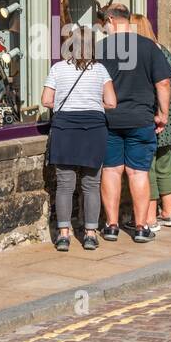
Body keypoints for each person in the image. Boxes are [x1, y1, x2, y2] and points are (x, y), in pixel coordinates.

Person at [96, 4, 171, 243]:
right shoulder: (148, 46)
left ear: (110, 20)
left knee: (111, 171)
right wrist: (163, 113)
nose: (103, 28)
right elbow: (163, 84)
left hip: (108, 120)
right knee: (138, 172)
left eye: (103, 24)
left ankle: (111, 226)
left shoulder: (100, 49)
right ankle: (140, 228)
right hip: (140, 119)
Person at [41, 26, 116, 251]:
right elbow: (111, 102)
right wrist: (92, 105)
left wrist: (68, 106)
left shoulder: (57, 69)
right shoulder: (101, 70)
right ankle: (90, 234)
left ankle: (63, 235)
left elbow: (46, 100)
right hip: (93, 127)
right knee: (91, 184)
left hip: (65, 126)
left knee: (64, 185)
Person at [131, 14, 171, 231]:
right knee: (165, 164)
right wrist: (170, 110)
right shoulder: (162, 50)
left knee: (147, 166)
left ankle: (149, 218)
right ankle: (168, 212)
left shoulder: (140, 53)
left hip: (153, 114)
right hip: (169, 114)